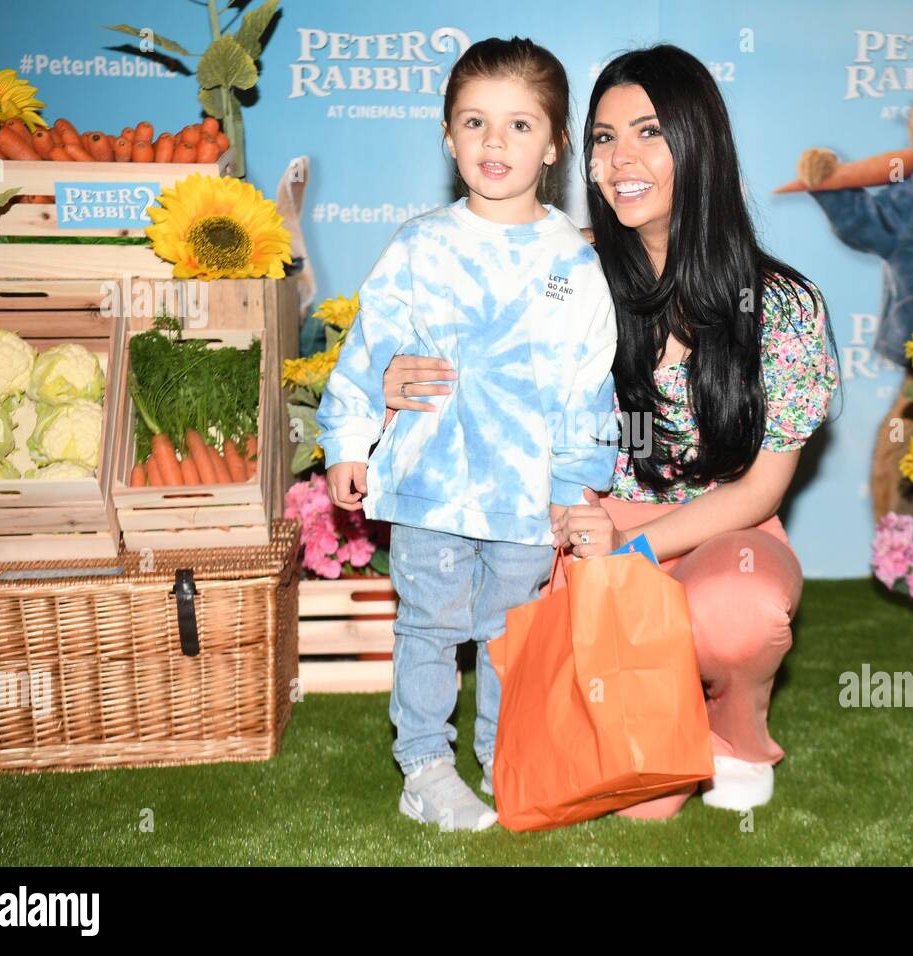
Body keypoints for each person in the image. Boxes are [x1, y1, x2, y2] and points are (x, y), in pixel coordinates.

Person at [386, 44, 842, 820]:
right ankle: (667, 707)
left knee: (740, 609)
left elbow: (762, 486)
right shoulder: (564, 269)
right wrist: (397, 379)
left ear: (699, 143)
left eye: (648, 132)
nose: (619, 158)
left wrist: (634, 548)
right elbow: (469, 356)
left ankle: (734, 732)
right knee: (642, 803)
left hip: (717, 531)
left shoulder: (784, 306)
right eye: (602, 137)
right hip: (579, 531)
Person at [316, 36, 619, 832]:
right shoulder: (420, 246)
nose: (496, 143)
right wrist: (350, 439)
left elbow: (590, 387)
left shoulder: (577, 265)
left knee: (508, 637)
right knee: (428, 627)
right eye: (476, 121)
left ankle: (504, 756)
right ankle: (424, 766)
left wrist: (569, 489)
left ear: (556, 145)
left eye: (521, 126)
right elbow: (369, 346)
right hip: (429, 485)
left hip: (523, 499)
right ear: (448, 136)